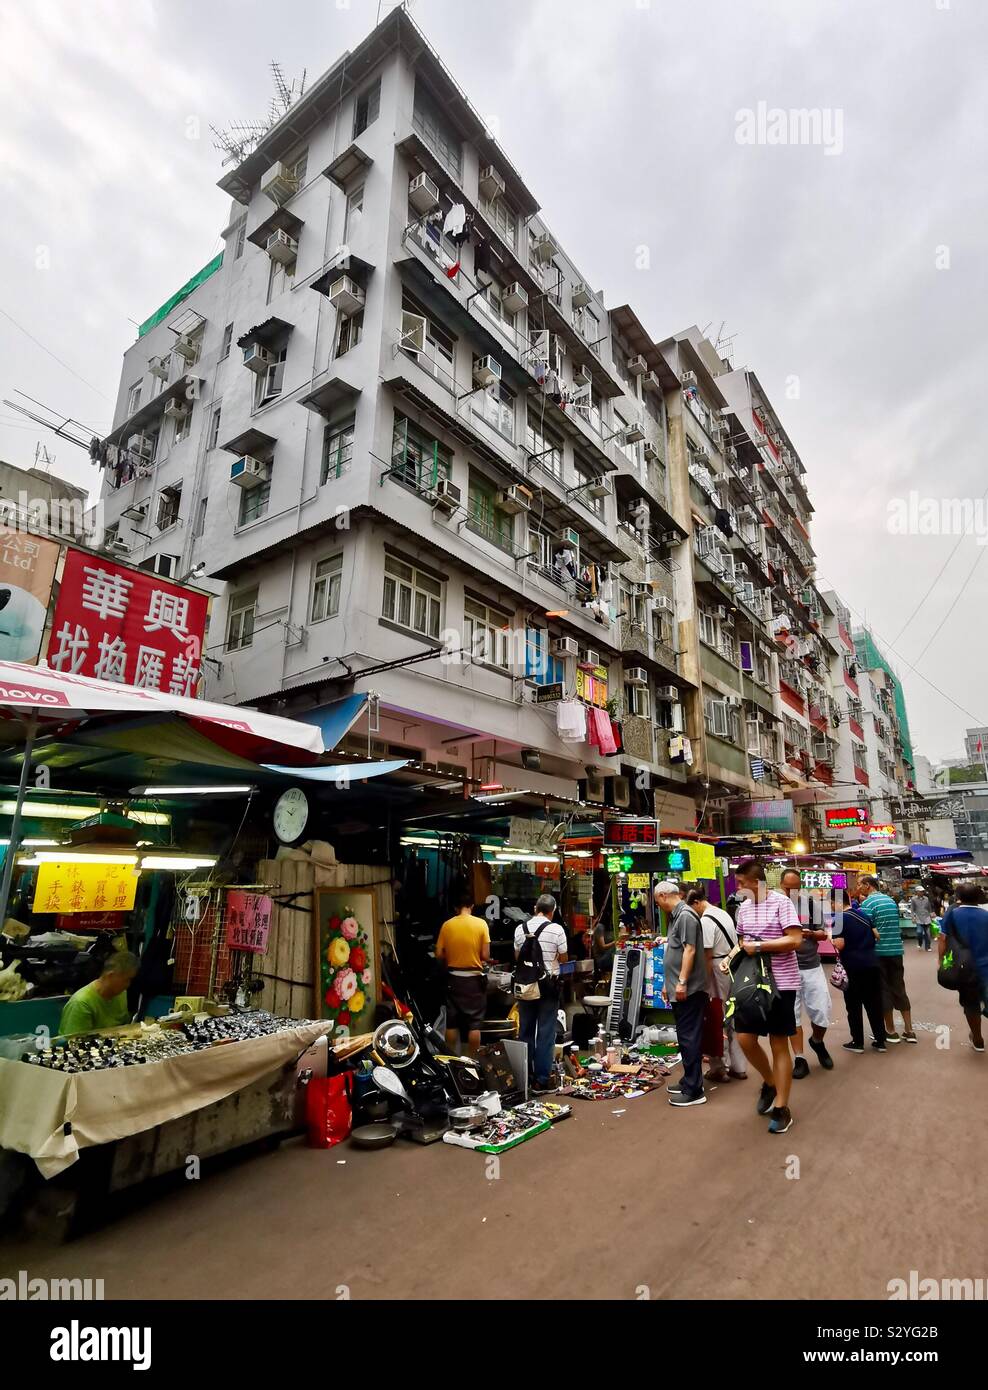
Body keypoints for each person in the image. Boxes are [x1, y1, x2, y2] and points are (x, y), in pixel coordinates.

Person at [732, 859, 803, 1135]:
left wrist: (760, 946)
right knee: (745, 1039)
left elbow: (795, 940)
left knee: (778, 1042)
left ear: (757, 882)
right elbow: (741, 941)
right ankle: (770, 1081)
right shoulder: (743, 910)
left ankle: (782, 1107)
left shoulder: (781, 903)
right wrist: (742, 950)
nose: (738, 889)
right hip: (751, 984)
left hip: (781, 984)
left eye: (742, 884)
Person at [655, 881, 708, 1108]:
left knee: (689, 1037)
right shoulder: (677, 915)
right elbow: (675, 950)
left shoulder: (685, 915)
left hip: (690, 989)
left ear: (665, 895)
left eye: (658, 901)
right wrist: (670, 983)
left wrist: (682, 982)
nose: (659, 905)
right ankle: (689, 1080)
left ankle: (695, 1090)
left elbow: (690, 949)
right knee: (685, 1036)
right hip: (680, 987)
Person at [687, 886, 746, 1083]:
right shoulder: (722, 913)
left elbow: (707, 954)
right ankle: (739, 1067)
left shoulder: (705, 921)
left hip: (716, 970)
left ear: (696, 903)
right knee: (732, 1016)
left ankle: (719, 1067)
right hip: (731, 967)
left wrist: (703, 980)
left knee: (715, 1017)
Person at [779, 869, 833, 1077]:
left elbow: (824, 933)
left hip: (811, 966)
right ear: (781, 884)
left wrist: (812, 934)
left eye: (796, 888)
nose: (791, 891)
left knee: (822, 1011)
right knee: (792, 1017)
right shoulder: (773, 906)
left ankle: (817, 1041)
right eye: (788, 887)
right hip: (786, 967)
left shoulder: (810, 904)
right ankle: (799, 1059)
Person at [514, 893, 568, 1094]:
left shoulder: (521, 928)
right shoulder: (556, 929)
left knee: (525, 1031)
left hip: (526, 986)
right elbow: (563, 958)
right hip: (548, 986)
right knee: (546, 1032)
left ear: (535, 908)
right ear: (552, 911)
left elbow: (517, 956)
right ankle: (541, 1081)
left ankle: (525, 1078)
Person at [856, 875, 916, 1043]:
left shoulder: (867, 904)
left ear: (868, 885)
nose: (858, 887)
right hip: (896, 951)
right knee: (899, 988)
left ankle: (890, 1031)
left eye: (860, 884)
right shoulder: (890, 901)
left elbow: (865, 929)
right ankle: (909, 1030)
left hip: (879, 953)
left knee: (882, 990)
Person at [831, 889, 887, 1053]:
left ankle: (857, 1042)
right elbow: (877, 935)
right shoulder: (863, 914)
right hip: (872, 964)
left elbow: (840, 944)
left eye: (832, 903)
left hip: (853, 967)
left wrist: (831, 939)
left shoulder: (840, 919)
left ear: (839, 902)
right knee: (874, 1003)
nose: (832, 906)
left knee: (854, 1005)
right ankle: (880, 1040)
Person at [435, 892, 491, 1056]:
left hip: (453, 978)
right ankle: (473, 1060)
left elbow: (439, 953)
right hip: (474, 979)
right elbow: (486, 955)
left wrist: (452, 955)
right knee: (474, 1024)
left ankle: (451, 1059)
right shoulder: (481, 924)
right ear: (472, 906)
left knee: (452, 1022)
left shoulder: (447, 925)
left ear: (455, 907)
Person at [938, 883, 988, 1053]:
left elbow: (943, 940)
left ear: (958, 896)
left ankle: (977, 1037)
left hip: (964, 967)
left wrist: (943, 962)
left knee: (970, 1003)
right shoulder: (986, 915)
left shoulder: (952, 915)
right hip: (985, 966)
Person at [58, 951, 140, 1036]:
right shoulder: (81, 1003)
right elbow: (73, 1043)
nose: (128, 985)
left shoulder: (121, 994)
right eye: (126, 980)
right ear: (111, 975)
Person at [911, 887, 933, 952]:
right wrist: (913, 917)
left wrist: (931, 914)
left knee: (928, 934)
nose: (922, 892)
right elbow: (912, 909)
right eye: (920, 891)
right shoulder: (913, 899)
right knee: (919, 932)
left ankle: (928, 947)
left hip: (927, 917)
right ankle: (920, 943)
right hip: (918, 918)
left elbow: (929, 908)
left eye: (923, 891)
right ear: (917, 892)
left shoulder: (926, 899)